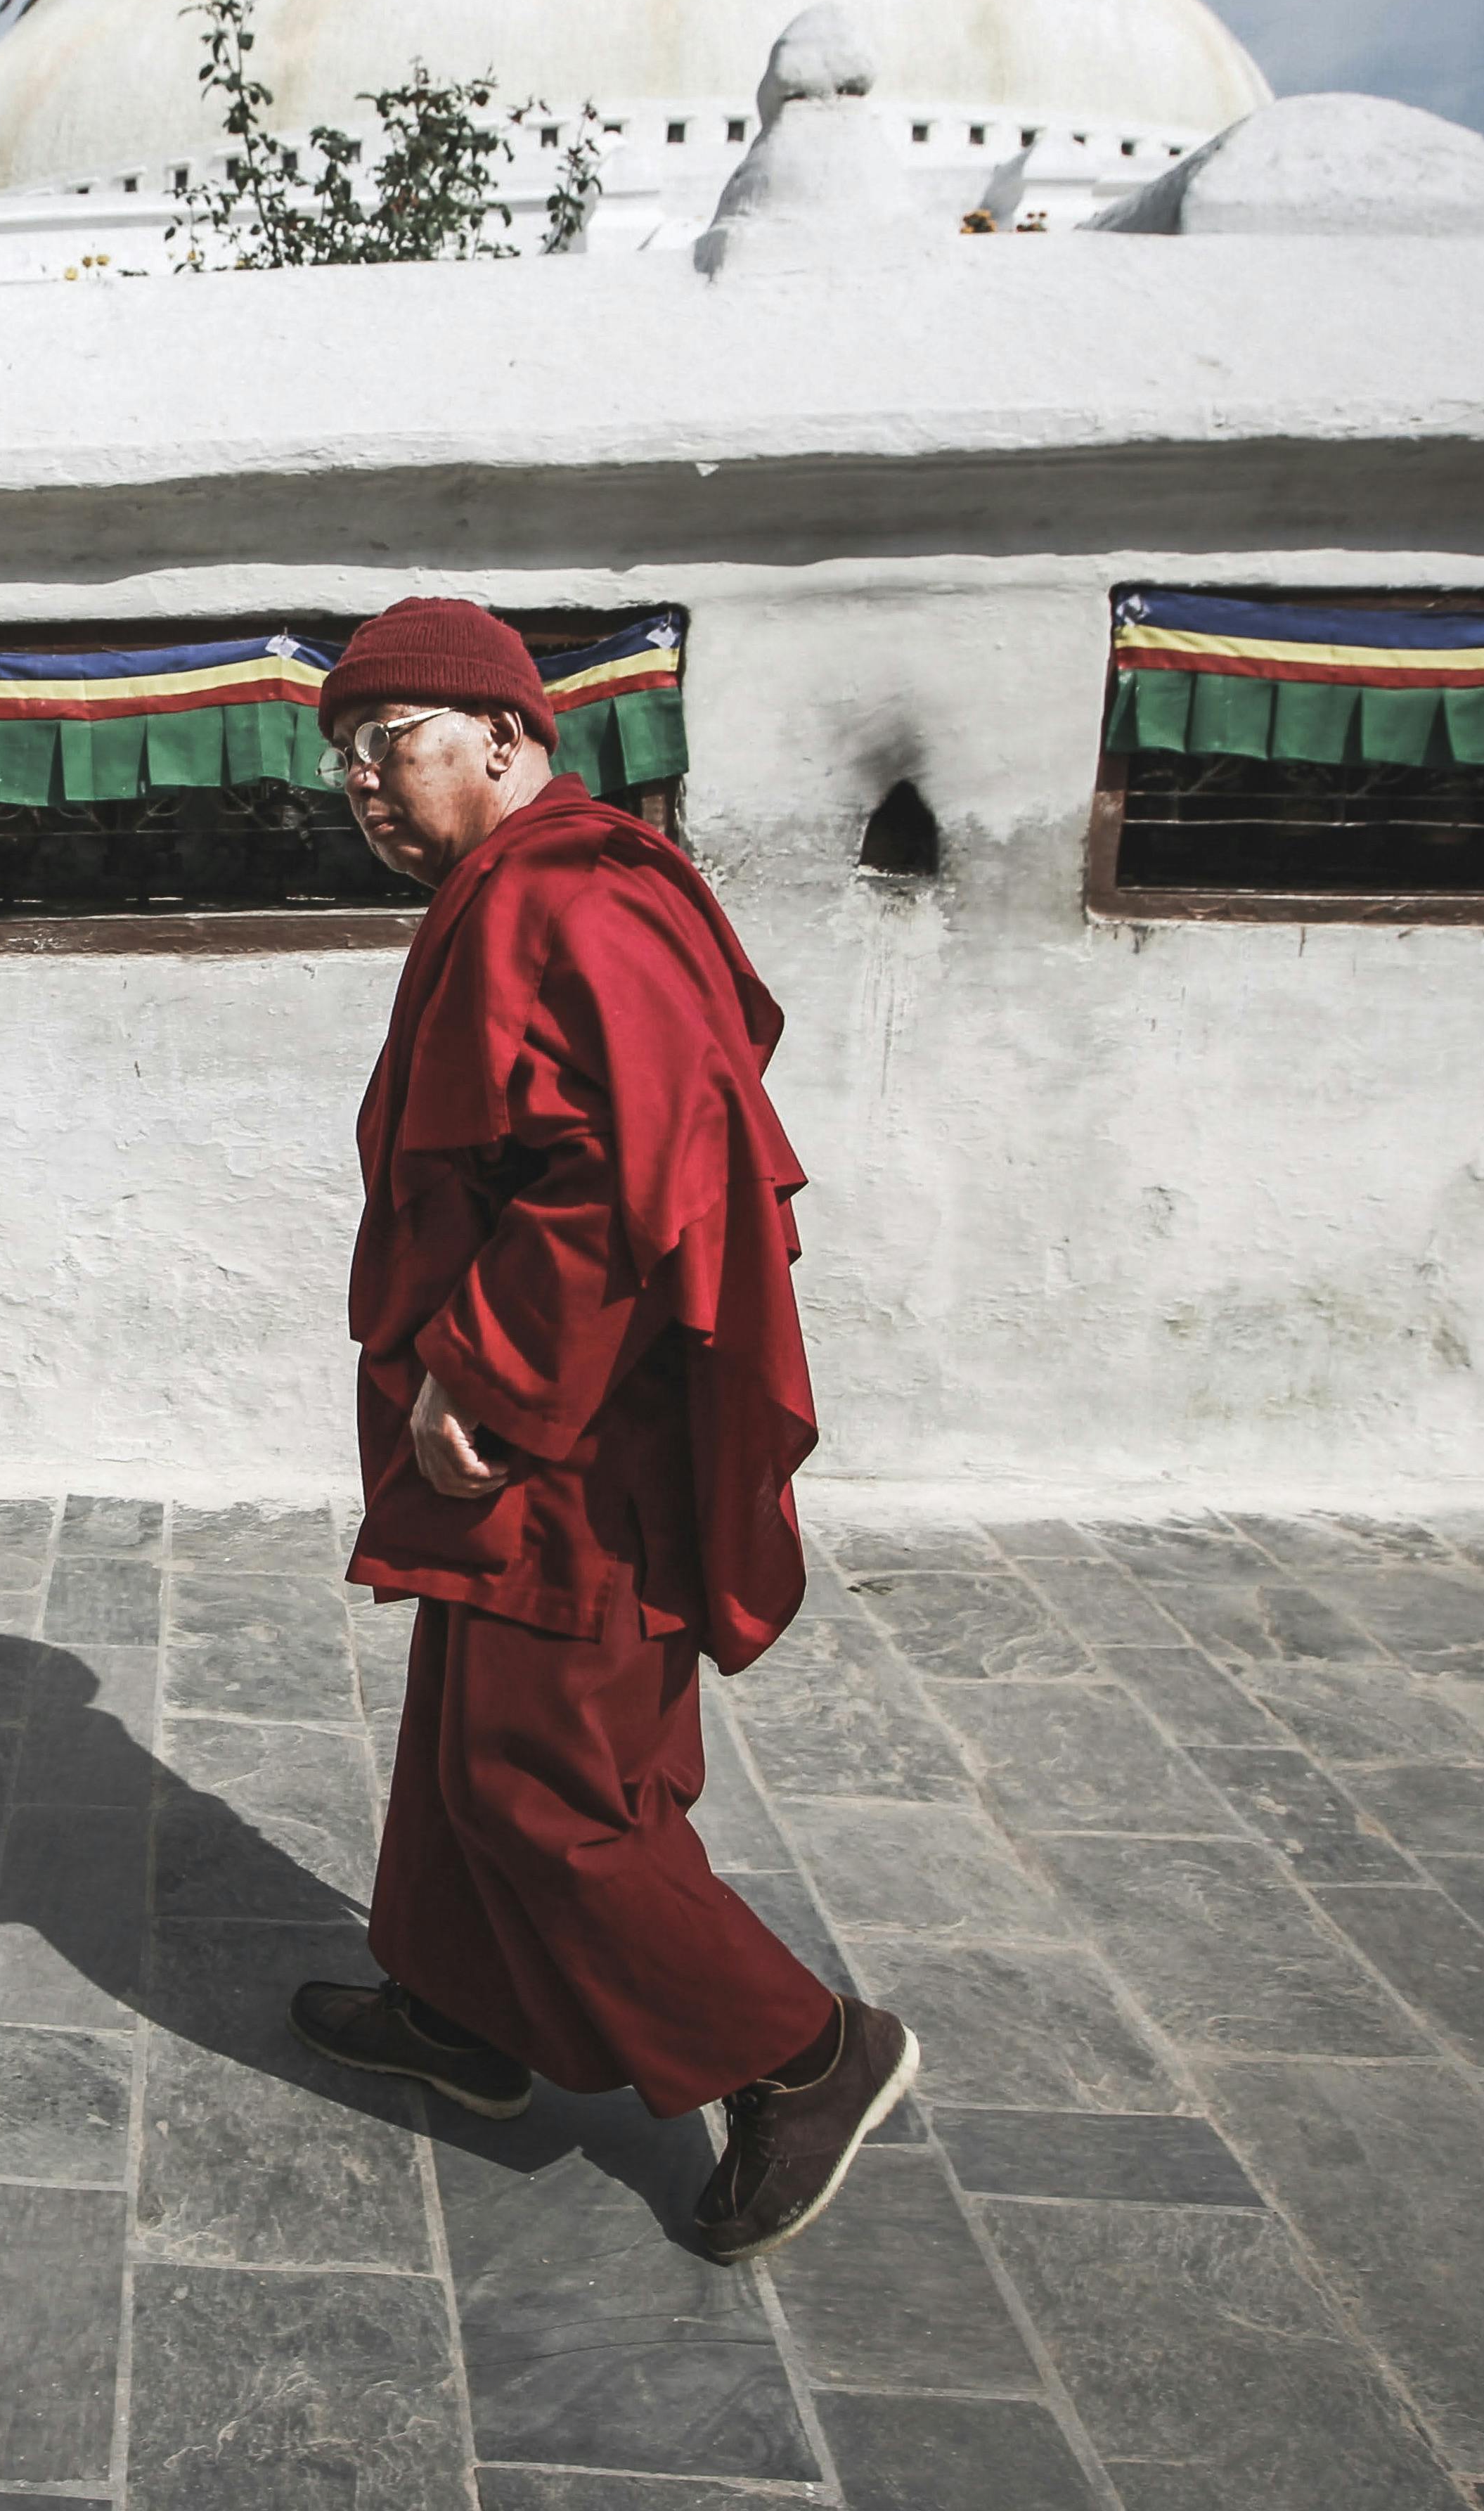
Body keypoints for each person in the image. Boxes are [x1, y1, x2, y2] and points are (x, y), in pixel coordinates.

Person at [285, 595, 917, 2264]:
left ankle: (803, 2054)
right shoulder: (508, 892)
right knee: (463, 1733)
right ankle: (461, 2011)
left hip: (579, 1438)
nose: (360, 782)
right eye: (341, 757)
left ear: (505, 737)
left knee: (541, 1784)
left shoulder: (574, 895)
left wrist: (485, 1374)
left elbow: (632, 1172)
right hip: (527, 1427)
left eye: (388, 741)